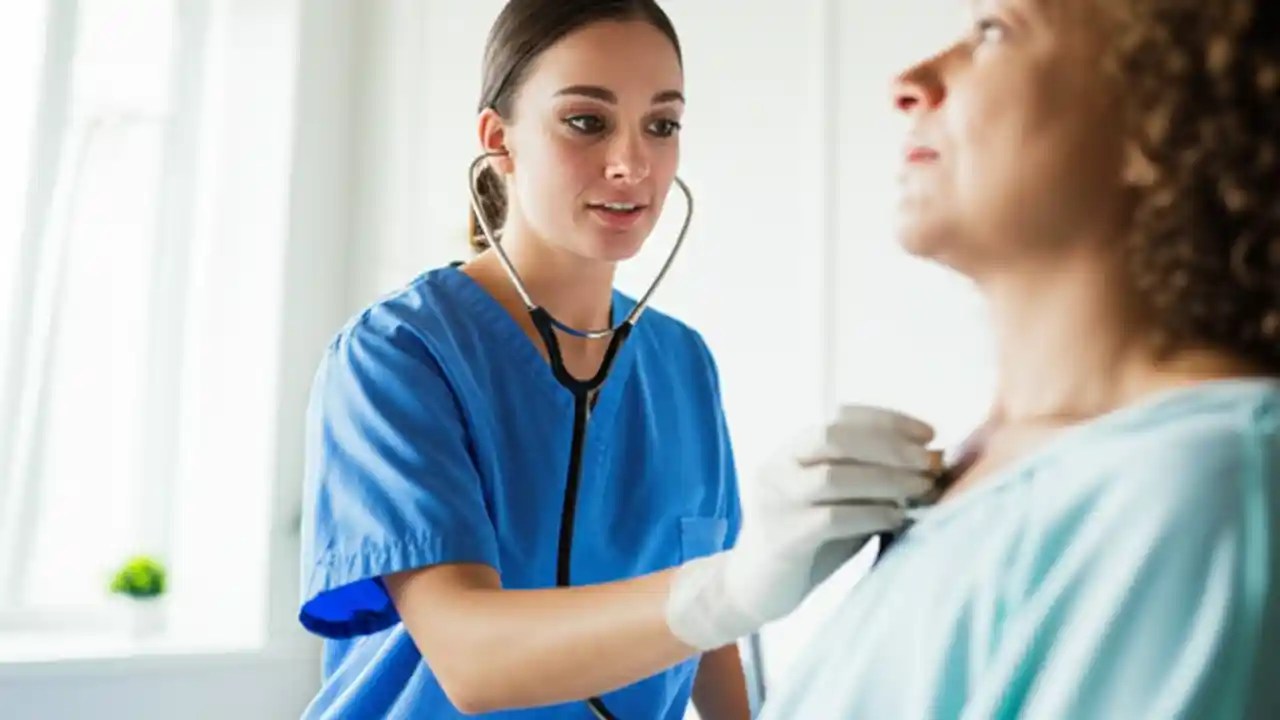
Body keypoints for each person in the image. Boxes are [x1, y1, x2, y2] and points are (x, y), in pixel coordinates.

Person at [295, 1, 940, 717]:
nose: (632, 163)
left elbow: (707, 638)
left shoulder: (682, 364)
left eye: (661, 125)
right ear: (497, 139)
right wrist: (731, 588)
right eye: (586, 121)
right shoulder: (399, 358)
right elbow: (472, 662)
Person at [758, 0, 1280, 717]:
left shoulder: (1201, 491)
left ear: (1156, 119)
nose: (908, 84)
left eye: (994, 30)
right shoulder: (993, 477)